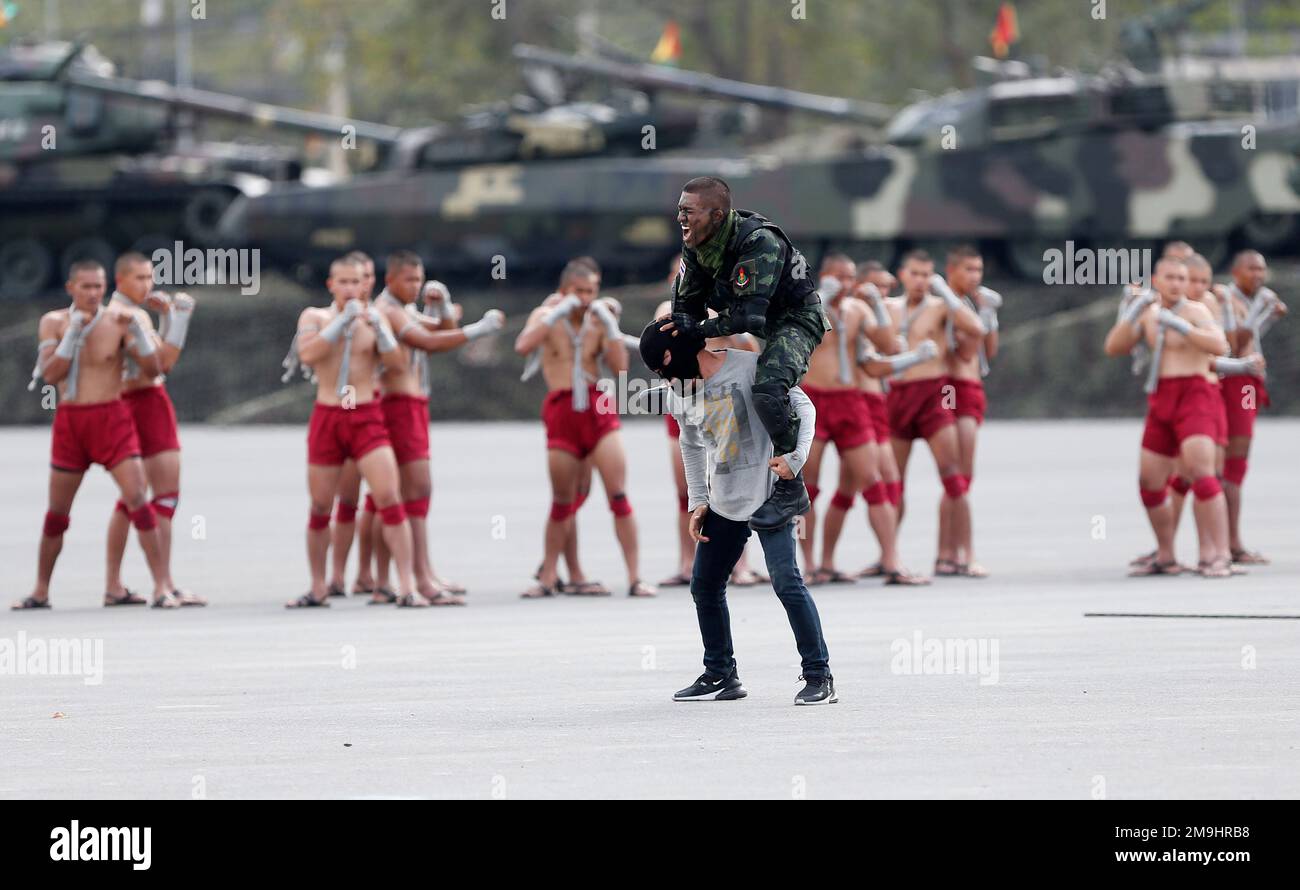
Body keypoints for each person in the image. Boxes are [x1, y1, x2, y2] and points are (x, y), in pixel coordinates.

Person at [639, 319, 836, 704]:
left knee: (787, 583)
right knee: (705, 586)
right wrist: (698, 500)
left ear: (683, 352)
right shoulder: (678, 391)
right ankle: (720, 673)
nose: (668, 380)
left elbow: (803, 404)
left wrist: (796, 459)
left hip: (770, 493)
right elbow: (690, 441)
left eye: (667, 368)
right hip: (724, 498)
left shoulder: (750, 366)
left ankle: (819, 675)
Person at [665, 176, 829, 530]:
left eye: (688, 211)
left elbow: (747, 316)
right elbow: (686, 310)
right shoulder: (695, 245)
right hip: (756, 319)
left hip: (794, 318)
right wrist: (674, 347)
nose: (681, 218)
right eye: (680, 210)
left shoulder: (759, 241)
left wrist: (700, 330)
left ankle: (791, 486)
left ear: (718, 215)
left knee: (768, 390)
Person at [16, 260, 176, 609]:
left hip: (111, 416)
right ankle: (41, 590)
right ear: (71, 288)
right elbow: (50, 374)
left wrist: (141, 330)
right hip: (72, 420)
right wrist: (72, 334)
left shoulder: (117, 321)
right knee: (57, 513)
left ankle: (161, 586)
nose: (93, 293)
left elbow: (155, 369)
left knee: (138, 498)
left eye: (98, 287)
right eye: (86, 287)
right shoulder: (53, 322)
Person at [361, 250, 505, 604]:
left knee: (407, 495)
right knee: (411, 492)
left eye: (419, 279)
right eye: (409, 280)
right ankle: (414, 579)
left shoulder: (405, 309)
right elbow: (428, 343)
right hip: (397, 407)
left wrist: (442, 306)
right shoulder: (388, 310)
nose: (415, 286)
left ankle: (406, 576)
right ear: (390, 280)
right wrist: (480, 330)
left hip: (413, 405)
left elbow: (442, 329)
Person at [286, 255, 426, 607]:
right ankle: (320, 584)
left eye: (356, 282)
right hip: (330, 413)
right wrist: (340, 324)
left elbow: (398, 367)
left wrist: (381, 331)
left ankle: (406, 585)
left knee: (389, 497)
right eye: (343, 282)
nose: (350, 288)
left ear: (367, 284)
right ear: (331, 285)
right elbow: (308, 354)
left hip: (364, 413)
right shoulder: (315, 317)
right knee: (321, 504)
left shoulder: (373, 320)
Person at [514, 260, 654, 598]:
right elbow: (523, 346)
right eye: (579, 292)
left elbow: (619, 368)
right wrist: (554, 313)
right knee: (564, 499)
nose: (585, 298)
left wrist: (609, 325)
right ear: (564, 291)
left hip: (597, 405)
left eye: (591, 291)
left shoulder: (597, 320)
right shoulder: (547, 316)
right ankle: (548, 576)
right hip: (562, 407)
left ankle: (635, 577)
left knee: (618, 494)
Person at [1104, 257, 1233, 577]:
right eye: (1170, 277)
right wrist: (1131, 310)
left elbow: (1221, 346)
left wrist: (1184, 328)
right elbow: (1113, 347)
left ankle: (1217, 554)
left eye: (1181, 277)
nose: (1176, 283)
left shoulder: (1196, 311)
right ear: (1156, 279)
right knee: (1149, 483)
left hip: (1195, 394)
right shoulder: (1150, 314)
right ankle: (1166, 554)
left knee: (1202, 475)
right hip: (1162, 396)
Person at [102, 252, 205, 607]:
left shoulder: (120, 314)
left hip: (126, 401)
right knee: (163, 496)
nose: (147, 286)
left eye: (150, 278)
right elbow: (162, 365)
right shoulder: (129, 316)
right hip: (145, 403)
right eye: (139, 279)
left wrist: (163, 321)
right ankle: (164, 584)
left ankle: (115, 584)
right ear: (121, 281)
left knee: (130, 500)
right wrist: (179, 320)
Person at [883, 252, 986, 572]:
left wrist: (945, 294)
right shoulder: (889, 308)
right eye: (915, 274)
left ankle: (965, 555)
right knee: (894, 483)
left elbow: (976, 328)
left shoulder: (941, 307)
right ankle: (890, 556)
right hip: (898, 397)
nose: (921, 281)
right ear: (903, 274)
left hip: (935, 395)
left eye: (927, 275)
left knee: (954, 477)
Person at [795, 255, 877, 584]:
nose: (845, 284)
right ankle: (810, 564)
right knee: (807, 489)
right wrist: (823, 299)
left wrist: (878, 307)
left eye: (850, 278)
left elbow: (888, 344)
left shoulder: (857, 311)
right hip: (813, 398)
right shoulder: (806, 305)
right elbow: (804, 338)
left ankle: (831, 561)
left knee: (867, 480)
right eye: (838, 277)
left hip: (849, 398)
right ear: (825, 277)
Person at [1216, 250, 1286, 565]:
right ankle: (1229, 543)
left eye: (1262, 269)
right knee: (1234, 457)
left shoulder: (1250, 300)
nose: (1258, 274)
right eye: (1251, 268)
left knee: (1239, 456)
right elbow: (1235, 342)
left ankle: (1229, 541)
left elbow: (1251, 338)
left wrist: (1268, 316)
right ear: (1235, 271)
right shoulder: (1227, 299)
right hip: (1236, 381)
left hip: (1248, 382)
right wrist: (1262, 309)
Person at [935, 246, 1000, 577]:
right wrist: (974, 324)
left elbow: (989, 352)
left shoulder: (974, 305)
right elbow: (961, 353)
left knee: (963, 475)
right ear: (952, 270)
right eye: (969, 270)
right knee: (956, 475)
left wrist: (989, 316)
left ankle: (948, 552)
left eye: (979, 270)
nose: (975, 276)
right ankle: (957, 553)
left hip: (972, 388)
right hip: (949, 389)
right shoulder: (946, 306)